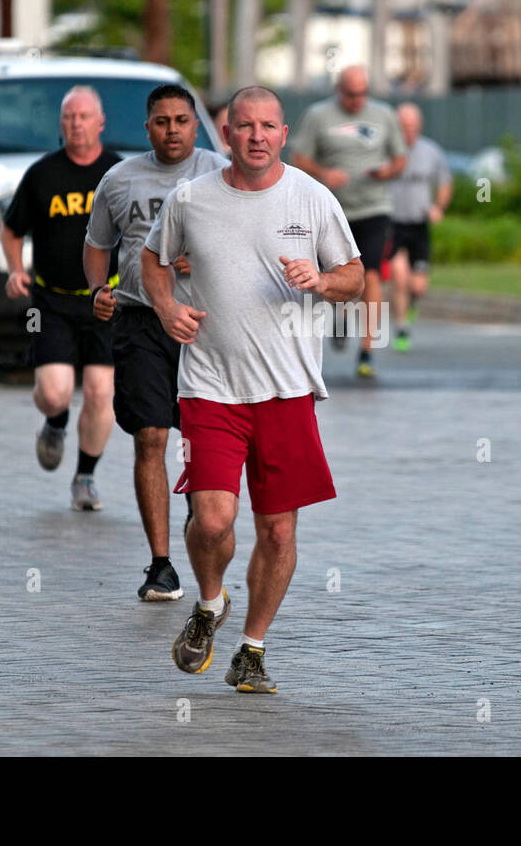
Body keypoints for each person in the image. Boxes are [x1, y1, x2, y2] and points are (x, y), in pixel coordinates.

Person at [142, 85, 363, 692]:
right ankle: (210, 604)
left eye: (268, 126)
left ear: (284, 134)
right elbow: (153, 259)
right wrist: (164, 309)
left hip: (287, 389)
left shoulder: (312, 198)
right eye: (245, 126)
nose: (257, 136)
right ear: (227, 133)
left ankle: (253, 648)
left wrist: (320, 278)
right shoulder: (191, 199)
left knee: (278, 530)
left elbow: (355, 278)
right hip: (211, 386)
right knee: (213, 521)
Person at [83, 84, 228, 601]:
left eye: (182, 120)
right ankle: (161, 564)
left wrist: (204, 257)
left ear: (196, 124)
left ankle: (201, 525)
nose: (173, 130)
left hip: (206, 325)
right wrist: (99, 291)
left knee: (201, 439)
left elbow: (246, 241)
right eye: (162, 121)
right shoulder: (119, 179)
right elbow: (97, 245)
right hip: (141, 321)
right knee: (151, 437)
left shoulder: (220, 171)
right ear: (147, 128)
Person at [1, 85, 120, 511]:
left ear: (100, 123)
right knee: (54, 392)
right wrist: (17, 270)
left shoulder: (118, 174)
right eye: (69, 117)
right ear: (61, 125)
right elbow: (12, 229)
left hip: (105, 299)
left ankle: (85, 476)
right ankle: (54, 422)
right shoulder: (42, 174)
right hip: (50, 300)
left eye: (84, 116)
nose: (76, 124)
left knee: (99, 390)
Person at [289, 64, 405, 377]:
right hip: (332, 209)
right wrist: (324, 174)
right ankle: (340, 314)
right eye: (351, 94)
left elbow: (400, 159)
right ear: (339, 90)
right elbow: (299, 158)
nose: (357, 101)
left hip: (373, 208)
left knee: (370, 274)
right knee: (336, 272)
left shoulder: (383, 115)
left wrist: (386, 172)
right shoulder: (318, 116)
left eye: (363, 94)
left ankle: (366, 351)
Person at [387, 102, 451, 352]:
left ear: (420, 127)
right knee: (399, 276)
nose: (408, 132)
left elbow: (445, 183)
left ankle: (412, 306)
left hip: (419, 224)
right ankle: (402, 326)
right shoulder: (387, 150)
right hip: (393, 223)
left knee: (418, 286)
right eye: (403, 127)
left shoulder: (431, 152)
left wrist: (438, 207)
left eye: (412, 127)